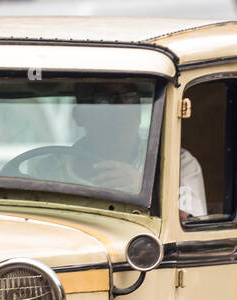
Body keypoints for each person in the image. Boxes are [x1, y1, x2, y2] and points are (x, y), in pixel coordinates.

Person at [20, 82, 206, 218]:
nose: (119, 111)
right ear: (79, 116)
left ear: (139, 112)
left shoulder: (176, 163)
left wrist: (142, 188)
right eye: (101, 101)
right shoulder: (48, 169)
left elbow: (188, 225)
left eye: (129, 99)